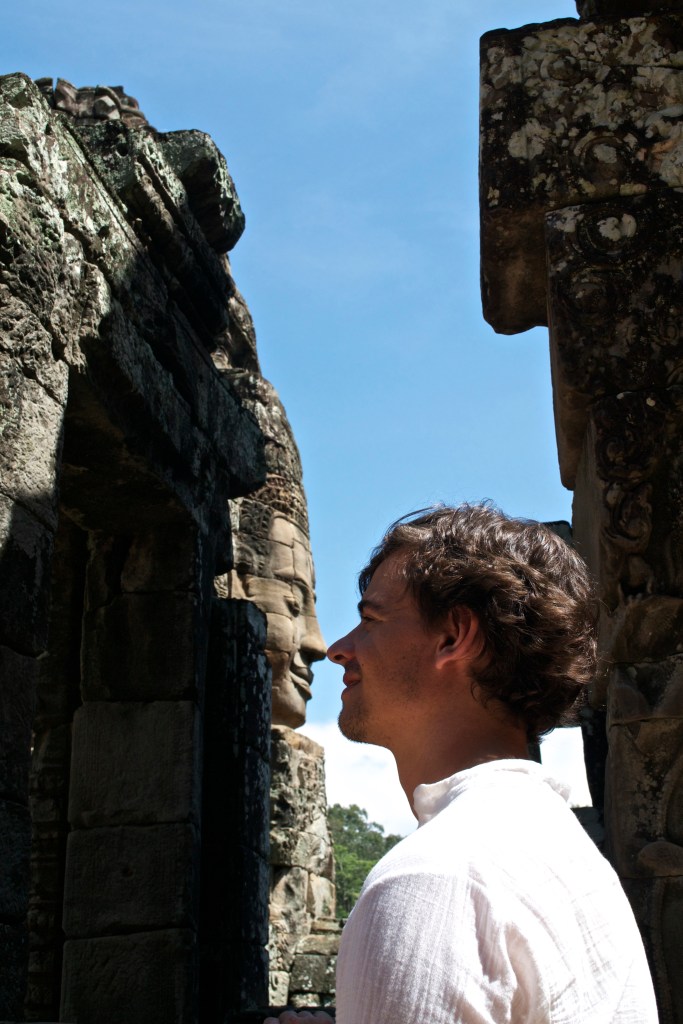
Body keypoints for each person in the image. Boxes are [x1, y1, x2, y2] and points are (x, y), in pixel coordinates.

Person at [266, 503, 659, 1024]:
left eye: (369, 619)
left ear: (454, 636)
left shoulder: (434, 882)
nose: (338, 649)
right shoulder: (572, 860)